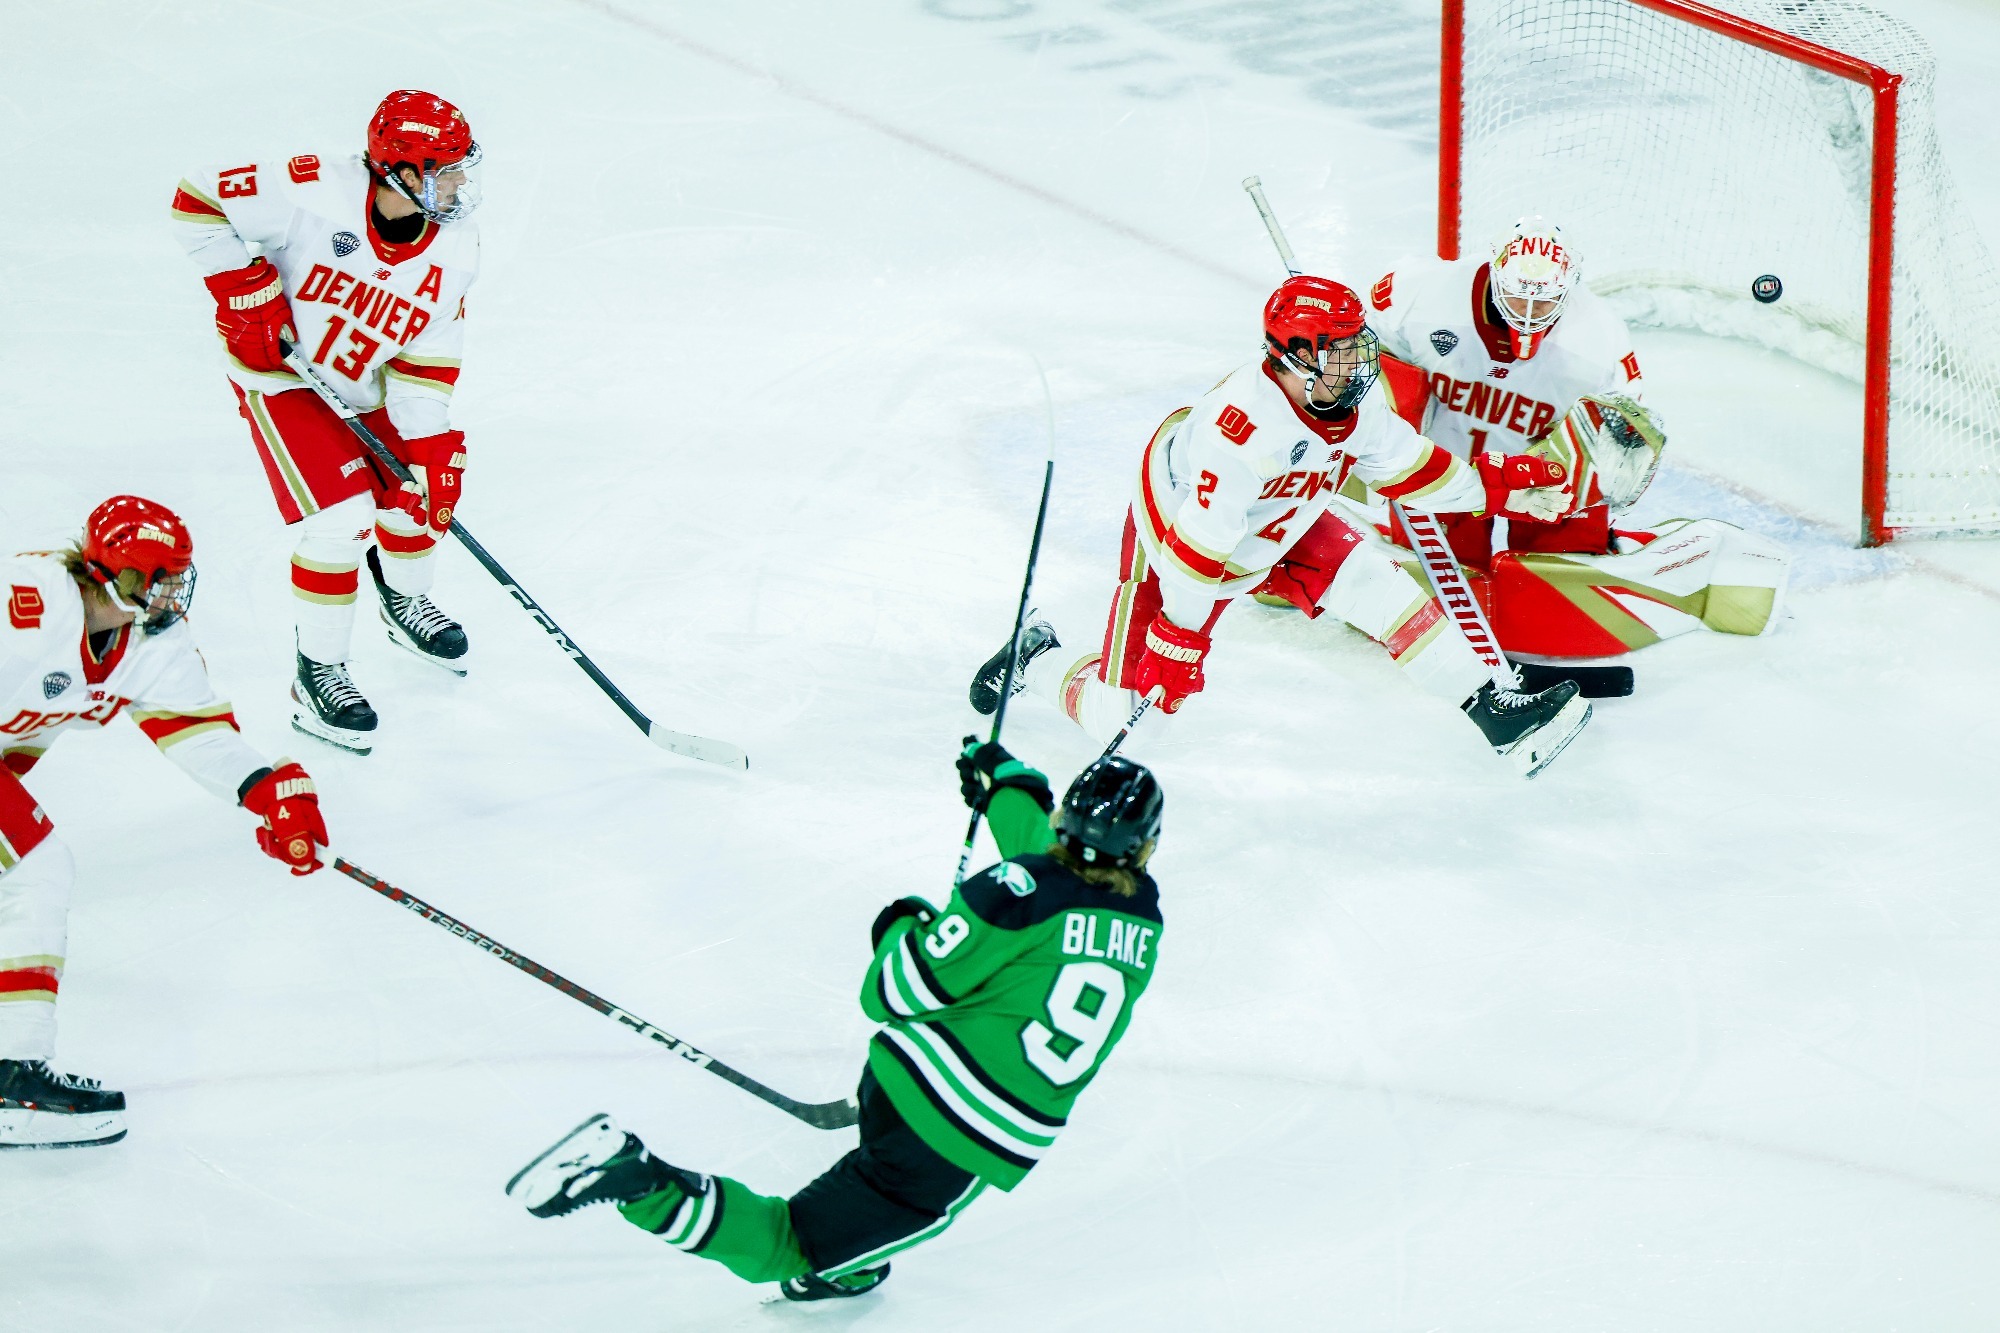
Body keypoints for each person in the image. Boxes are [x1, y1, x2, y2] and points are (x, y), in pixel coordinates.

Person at [505, 741, 1165, 1302]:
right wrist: (1009, 792)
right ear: (1148, 846)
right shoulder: (1145, 914)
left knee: (860, 1210)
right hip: (960, 1136)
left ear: (1064, 817)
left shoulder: (1017, 888)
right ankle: (638, 1177)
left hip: (902, 1081)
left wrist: (905, 921)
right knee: (787, 1247)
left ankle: (855, 1261)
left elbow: (894, 986)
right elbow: (1057, 871)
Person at [972, 274, 1593, 777]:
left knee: (1375, 583)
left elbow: (1405, 465)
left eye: (1358, 343)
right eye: (1341, 350)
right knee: (1128, 725)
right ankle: (1040, 655)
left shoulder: (1350, 394)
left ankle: (1495, 712)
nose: (1359, 362)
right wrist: (1174, 642)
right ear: (1296, 359)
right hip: (1176, 537)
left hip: (1286, 514)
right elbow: (1196, 551)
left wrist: (1493, 487)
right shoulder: (1238, 432)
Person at [0, 497, 329, 1149]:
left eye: (181, 577)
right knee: (36, 865)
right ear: (117, 576)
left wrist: (268, 793)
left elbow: (197, 729)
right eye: (162, 578)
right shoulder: (27, 604)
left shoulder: (152, 641)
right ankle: (14, 1078)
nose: (175, 592)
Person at [171, 90, 482, 755]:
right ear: (398, 170)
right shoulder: (310, 188)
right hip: (280, 374)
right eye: (444, 168)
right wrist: (236, 282)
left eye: (461, 168)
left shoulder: (455, 250)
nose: (459, 183)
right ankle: (318, 674)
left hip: (365, 382)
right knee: (340, 520)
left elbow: (422, 372)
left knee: (415, 492)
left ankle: (405, 603)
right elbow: (196, 198)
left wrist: (430, 449)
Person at [1363, 218, 1789, 670]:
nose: (1528, 310)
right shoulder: (1421, 291)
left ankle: (1681, 560)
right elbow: (1364, 362)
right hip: (1444, 465)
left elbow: (1621, 438)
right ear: (1494, 271)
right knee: (1448, 569)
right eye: (1517, 294)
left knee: (1553, 578)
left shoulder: (1598, 339)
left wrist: (1575, 473)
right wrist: (1393, 449)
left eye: (1543, 298)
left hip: (1540, 479)